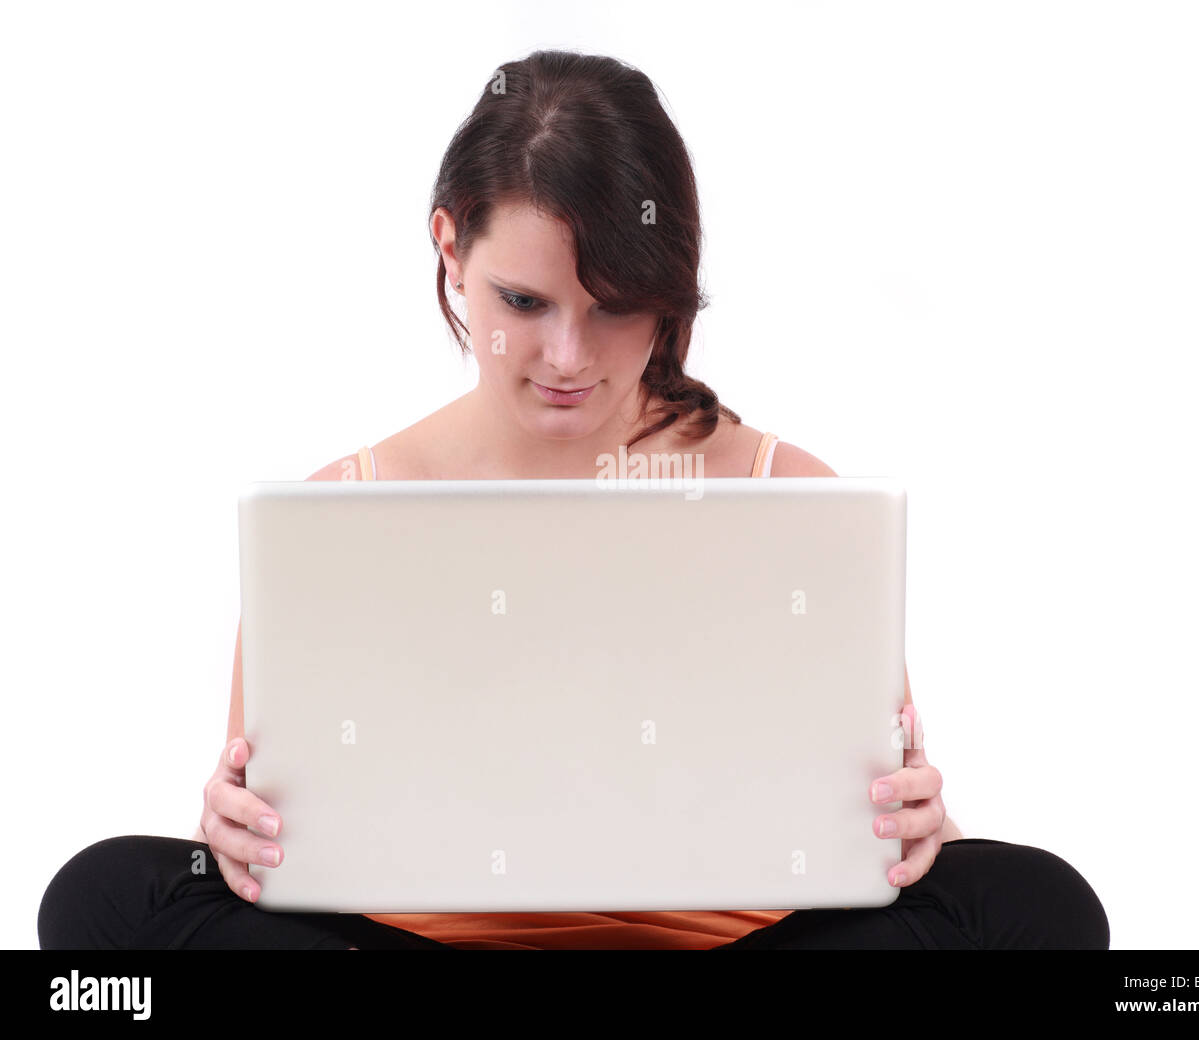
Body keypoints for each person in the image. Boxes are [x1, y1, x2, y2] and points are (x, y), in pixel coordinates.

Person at [38, 49, 1108, 951]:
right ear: (449, 247)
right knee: (102, 894)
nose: (567, 357)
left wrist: (924, 826)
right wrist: (224, 833)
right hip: (414, 951)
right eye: (524, 301)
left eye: (614, 309)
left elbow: (895, 829)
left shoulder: (786, 497)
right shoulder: (341, 513)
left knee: (1036, 903)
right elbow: (267, 846)